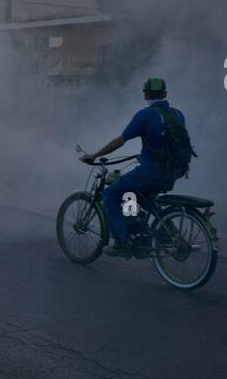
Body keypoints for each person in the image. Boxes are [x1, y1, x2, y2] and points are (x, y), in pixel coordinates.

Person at [80, 77, 187, 258]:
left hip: (150, 173)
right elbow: (167, 142)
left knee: (111, 194)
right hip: (172, 173)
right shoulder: (178, 114)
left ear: (145, 95)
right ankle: (147, 227)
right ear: (165, 94)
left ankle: (122, 242)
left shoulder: (144, 115)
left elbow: (119, 141)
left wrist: (94, 155)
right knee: (136, 193)